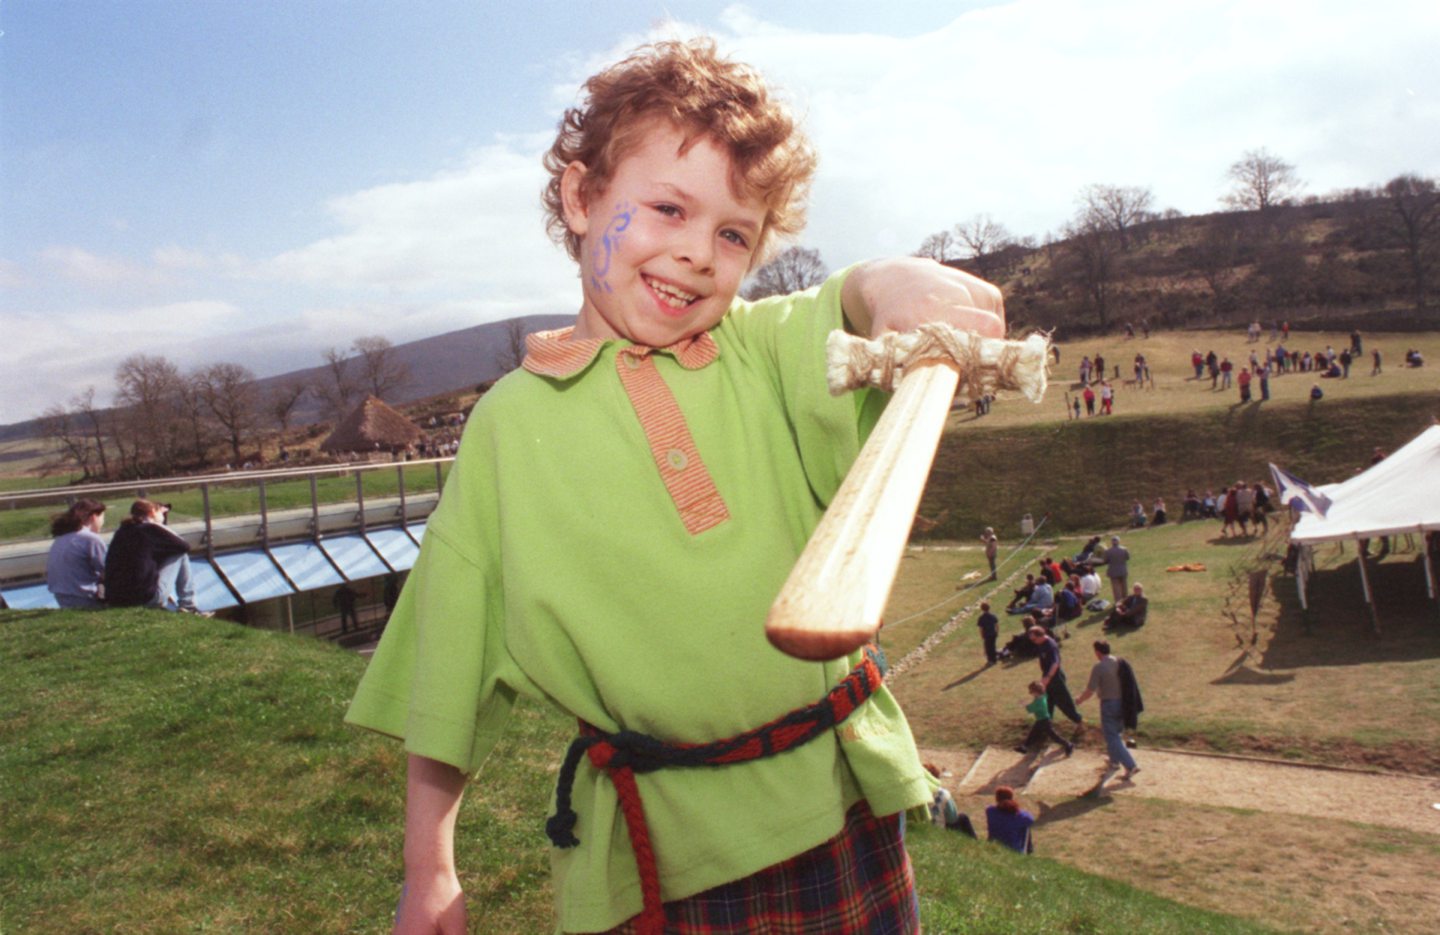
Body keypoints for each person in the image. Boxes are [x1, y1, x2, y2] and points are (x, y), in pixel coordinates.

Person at [344, 39, 1007, 935]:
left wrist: (900, 280)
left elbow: (846, 303)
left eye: (733, 234)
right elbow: (449, 663)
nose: (698, 253)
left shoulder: (759, 348)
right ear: (582, 199)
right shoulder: (506, 427)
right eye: (667, 208)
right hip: (660, 859)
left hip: (841, 812)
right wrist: (430, 869)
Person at [102, 499, 204, 613]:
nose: (163, 515)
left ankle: (185, 605)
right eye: (161, 512)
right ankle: (188, 605)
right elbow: (184, 546)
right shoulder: (150, 529)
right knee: (180, 554)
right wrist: (159, 525)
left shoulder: (122, 531)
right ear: (152, 512)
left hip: (116, 599)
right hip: (143, 599)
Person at [1073, 640, 1142, 781]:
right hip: (1123, 704)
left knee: (1112, 736)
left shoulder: (1099, 667)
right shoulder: (1120, 662)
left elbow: (1090, 690)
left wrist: (1080, 699)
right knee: (1116, 734)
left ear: (1097, 652)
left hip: (1109, 705)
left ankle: (1130, 765)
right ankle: (1114, 762)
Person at [45, 498, 108, 609]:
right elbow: (106, 572)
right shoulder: (91, 539)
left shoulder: (60, 538)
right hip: (86, 597)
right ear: (94, 517)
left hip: (61, 597)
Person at [1028, 625, 1083, 728]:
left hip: (1055, 678)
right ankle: (1047, 725)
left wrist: (1048, 677)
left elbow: (1055, 663)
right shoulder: (1040, 643)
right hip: (1047, 676)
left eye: (1034, 639)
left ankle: (1078, 721)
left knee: (1064, 702)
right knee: (1048, 702)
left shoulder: (1050, 645)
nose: (1033, 642)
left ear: (1040, 635)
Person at [1015, 680, 1075, 757]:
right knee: (1033, 733)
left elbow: (1030, 709)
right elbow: (1043, 692)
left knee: (1054, 736)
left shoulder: (1039, 702)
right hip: (1041, 720)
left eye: (1031, 691)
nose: (1030, 693)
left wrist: (1024, 704)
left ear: (1036, 692)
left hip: (1044, 721)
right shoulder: (1042, 696)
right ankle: (1024, 747)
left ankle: (1069, 744)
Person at [924, 764, 976, 837]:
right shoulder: (943, 794)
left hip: (922, 830)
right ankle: (973, 840)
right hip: (940, 830)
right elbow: (952, 818)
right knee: (963, 817)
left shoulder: (917, 796)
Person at [984, 786, 1034, 854]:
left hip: (994, 846)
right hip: (1014, 850)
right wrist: (1016, 809)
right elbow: (1030, 819)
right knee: (1025, 827)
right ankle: (1028, 852)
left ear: (997, 799)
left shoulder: (990, 811)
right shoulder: (1021, 816)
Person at [1094, 535, 1131, 603]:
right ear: (1119, 541)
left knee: (1116, 588)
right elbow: (1128, 558)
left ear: (1111, 542)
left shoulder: (1108, 551)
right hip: (1123, 570)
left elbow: (1105, 561)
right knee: (1124, 586)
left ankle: (1118, 602)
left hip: (1113, 571)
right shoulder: (1124, 549)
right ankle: (1125, 600)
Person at [977, 602, 1000, 666]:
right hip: (993, 633)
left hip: (987, 635)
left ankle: (990, 660)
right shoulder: (993, 616)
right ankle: (994, 659)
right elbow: (997, 625)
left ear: (982, 609)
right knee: (993, 646)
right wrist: (997, 632)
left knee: (988, 648)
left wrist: (981, 635)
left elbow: (981, 628)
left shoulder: (981, 618)